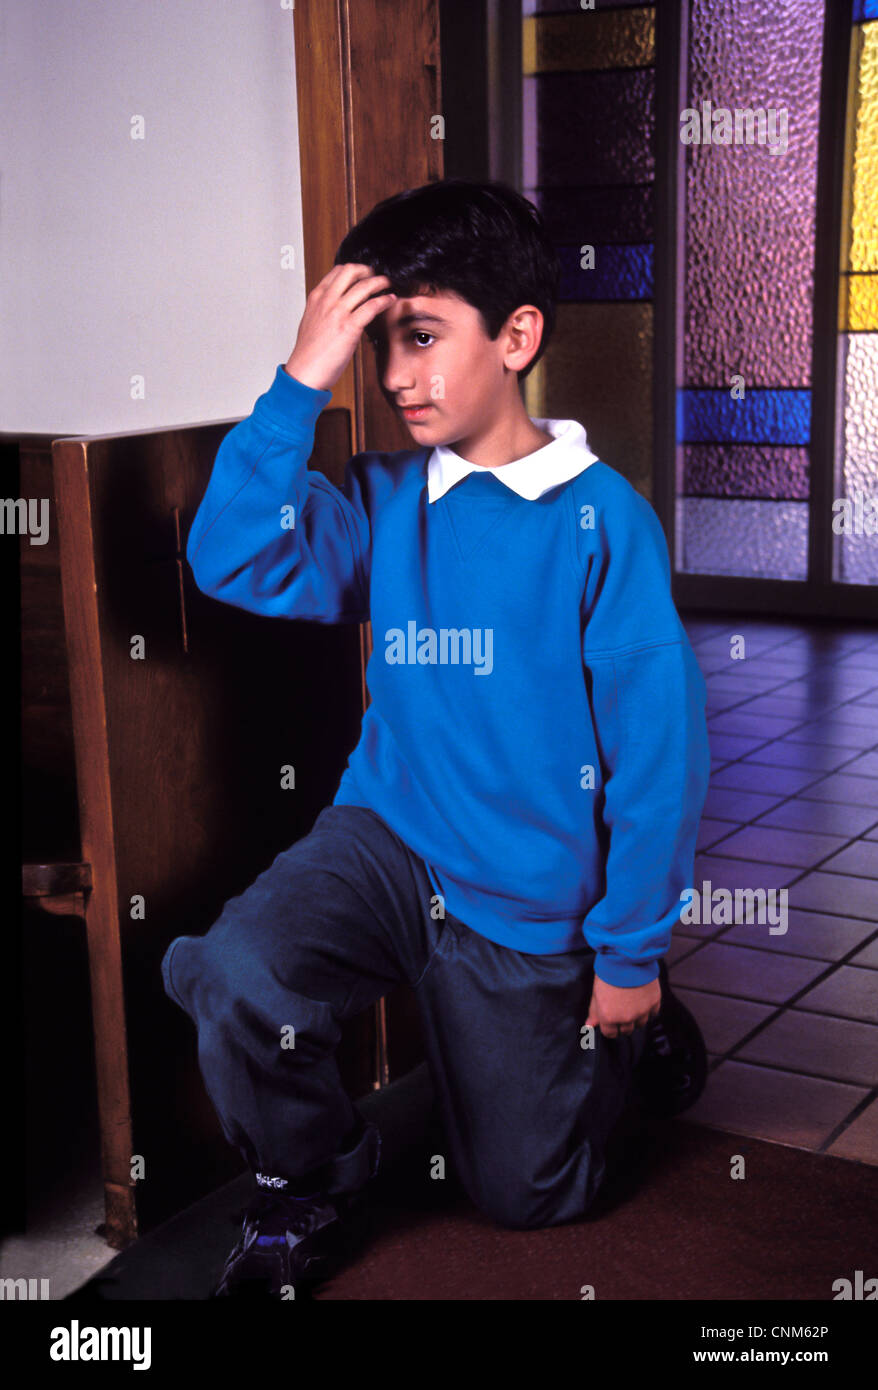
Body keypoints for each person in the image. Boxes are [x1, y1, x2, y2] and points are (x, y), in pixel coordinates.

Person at [161, 178, 711, 1299]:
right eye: (379, 348)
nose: (397, 376)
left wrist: (630, 955)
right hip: (389, 842)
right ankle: (310, 1181)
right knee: (234, 970)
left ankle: (630, 1043)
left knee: (529, 1196)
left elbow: (661, 757)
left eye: (421, 337)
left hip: (527, 893)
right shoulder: (381, 498)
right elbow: (227, 555)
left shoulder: (603, 521)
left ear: (517, 335)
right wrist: (296, 383)